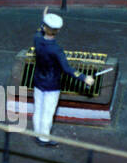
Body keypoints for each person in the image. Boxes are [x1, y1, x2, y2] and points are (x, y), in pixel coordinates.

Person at [30, 13, 94, 145]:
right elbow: (67, 69)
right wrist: (84, 77)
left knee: (38, 109)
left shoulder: (36, 39)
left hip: (38, 80)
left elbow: (38, 31)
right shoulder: (56, 50)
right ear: (58, 30)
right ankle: (44, 139)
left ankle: (37, 133)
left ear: (45, 27)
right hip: (52, 85)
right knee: (48, 112)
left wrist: (43, 21)